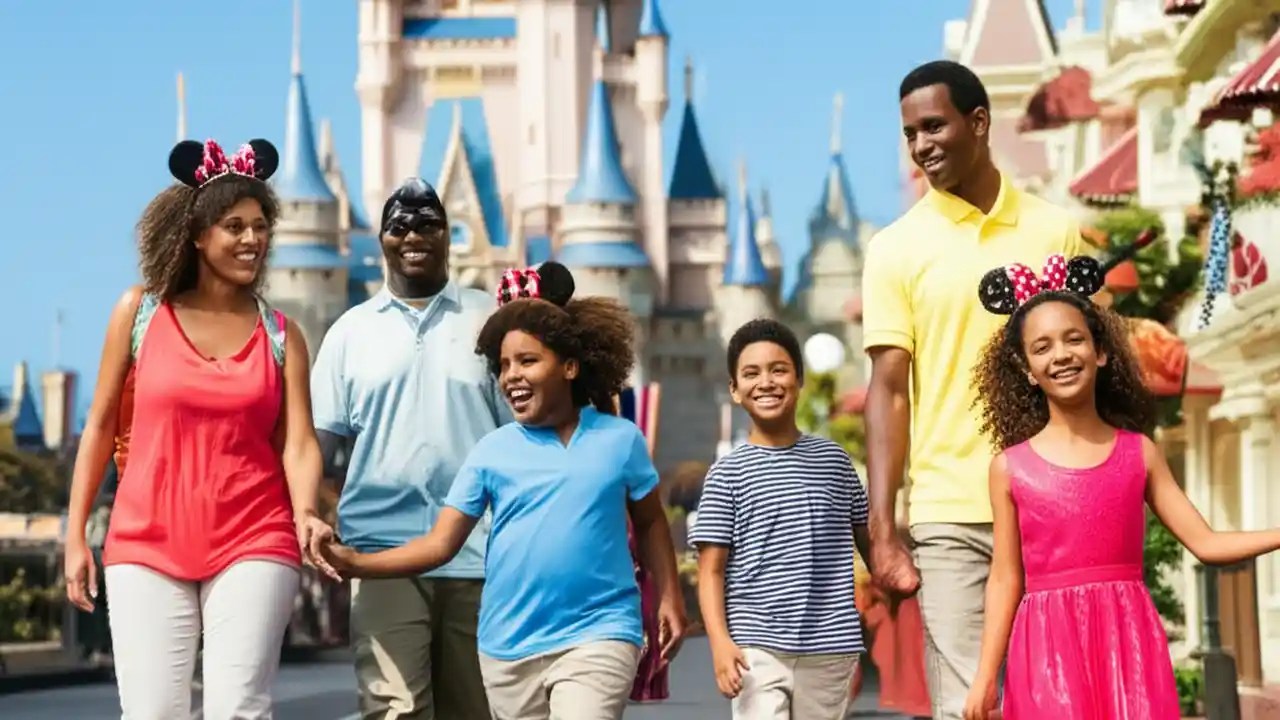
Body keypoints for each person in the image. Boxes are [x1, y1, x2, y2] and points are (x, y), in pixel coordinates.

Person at [319, 261, 686, 720]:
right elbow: (439, 544)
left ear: (569, 366)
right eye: (503, 365)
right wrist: (356, 562)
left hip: (601, 631)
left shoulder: (619, 440)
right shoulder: (491, 451)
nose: (511, 375)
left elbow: (650, 519)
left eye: (528, 361)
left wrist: (669, 595)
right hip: (508, 649)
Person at [62, 138, 335, 720]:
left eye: (260, 226)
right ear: (196, 235)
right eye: (234, 226)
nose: (251, 239)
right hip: (145, 542)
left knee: (238, 709)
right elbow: (98, 428)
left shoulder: (283, 335)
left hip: (254, 536)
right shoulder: (139, 314)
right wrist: (74, 535)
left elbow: (300, 442)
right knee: (153, 712)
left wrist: (307, 510)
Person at [861, 60, 1089, 719]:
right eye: (910, 134)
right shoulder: (895, 248)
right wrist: (882, 529)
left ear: (979, 122)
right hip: (950, 512)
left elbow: (1085, 366)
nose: (921, 145)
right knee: (971, 704)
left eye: (934, 126)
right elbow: (888, 391)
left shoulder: (1055, 232)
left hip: (1055, 502)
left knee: (1057, 698)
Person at [961, 252, 1280, 718]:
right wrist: (986, 678)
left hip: (1128, 643)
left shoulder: (1139, 453)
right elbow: (1006, 577)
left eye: (1075, 339)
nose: (1062, 355)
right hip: (1046, 651)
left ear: (1102, 351)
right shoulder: (1009, 468)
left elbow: (1207, 543)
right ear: (1026, 369)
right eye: (1042, 347)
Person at [310, 177, 511, 719]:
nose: (413, 236)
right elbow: (318, 441)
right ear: (381, 239)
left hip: (480, 555)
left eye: (428, 224)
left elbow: (524, 433)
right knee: (393, 710)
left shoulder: (489, 319)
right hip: (380, 554)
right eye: (399, 226)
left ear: (449, 234)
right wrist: (306, 512)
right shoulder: (348, 333)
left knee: (473, 711)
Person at [690, 318, 870, 720]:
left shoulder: (834, 461)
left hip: (829, 646)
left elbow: (870, 540)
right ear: (735, 390)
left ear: (799, 379)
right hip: (756, 647)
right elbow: (711, 571)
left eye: (779, 370)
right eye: (751, 374)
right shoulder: (727, 473)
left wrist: (898, 592)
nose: (766, 382)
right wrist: (719, 642)